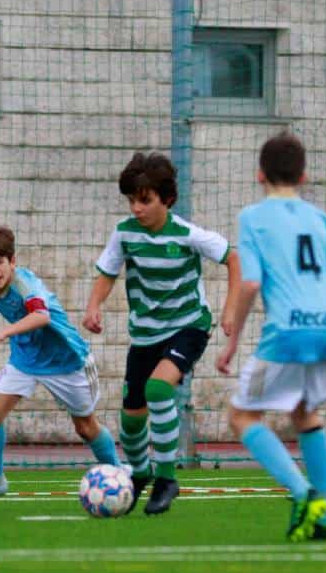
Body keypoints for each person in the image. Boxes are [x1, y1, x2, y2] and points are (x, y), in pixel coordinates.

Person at [216, 133, 326, 541]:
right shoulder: (319, 218)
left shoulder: (253, 218)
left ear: (260, 175)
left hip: (288, 330)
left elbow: (251, 283)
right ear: (304, 176)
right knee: (304, 412)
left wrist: (233, 339)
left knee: (242, 415)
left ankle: (306, 495)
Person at [83, 152, 239, 515]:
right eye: (131, 200)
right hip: (146, 334)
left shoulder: (187, 235)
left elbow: (234, 257)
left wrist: (230, 310)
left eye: (145, 200)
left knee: (158, 388)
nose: (136, 208)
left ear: (166, 199)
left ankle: (167, 478)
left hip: (188, 326)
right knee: (131, 416)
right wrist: (94, 306)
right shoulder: (124, 233)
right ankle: (139, 474)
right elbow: (107, 273)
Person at [0, 226, 119, 506]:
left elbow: (41, 316)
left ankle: (117, 472)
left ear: (12, 262)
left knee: (86, 428)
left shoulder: (26, 284)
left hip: (66, 360)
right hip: (26, 358)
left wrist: (2, 334)